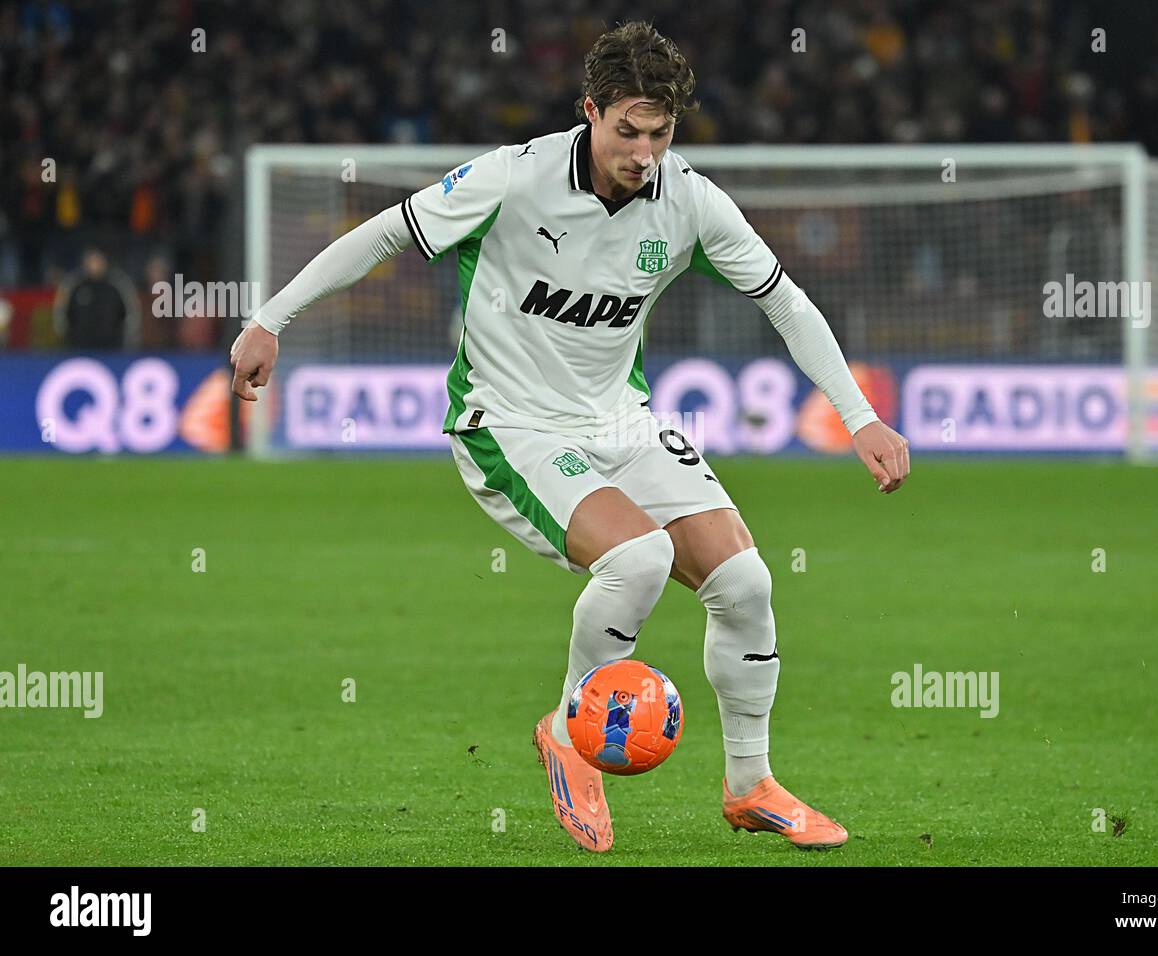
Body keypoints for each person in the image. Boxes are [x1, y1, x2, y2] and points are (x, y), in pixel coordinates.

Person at [230, 21, 909, 853]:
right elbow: (383, 234)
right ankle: (569, 732)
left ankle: (750, 785)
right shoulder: (516, 178)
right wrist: (270, 319)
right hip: (506, 421)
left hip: (620, 419)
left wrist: (861, 415)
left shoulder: (689, 200)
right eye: (627, 129)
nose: (643, 151)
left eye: (660, 134)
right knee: (639, 558)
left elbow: (784, 301)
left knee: (749, 584)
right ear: (590, 111)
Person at [53, 248, 141, 350]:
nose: (95, 264)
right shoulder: (74, 284)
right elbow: (61, 313)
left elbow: (132, 313)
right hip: (79, 348)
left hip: (112, 349)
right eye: (92, 260)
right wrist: (66, 338)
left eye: (98, 260)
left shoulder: (117, 284)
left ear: (105, 262)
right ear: (85, 263)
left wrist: (128, 340)